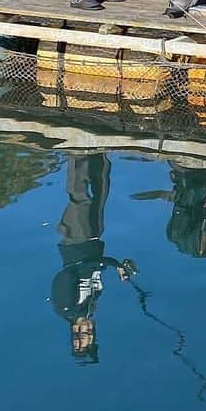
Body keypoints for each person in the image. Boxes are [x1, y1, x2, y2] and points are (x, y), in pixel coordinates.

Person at [49, 153, 135, 363]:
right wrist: (120, 268)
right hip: (94, 242)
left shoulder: (66, 307)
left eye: (80, 333)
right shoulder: (90, 306)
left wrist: (114, 265)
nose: (86, 330)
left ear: (74, 331)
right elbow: (94, 271)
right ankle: (100, 155)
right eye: (89, 333)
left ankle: (78, 152)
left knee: (80, 196)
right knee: (101, 193)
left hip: (76, 241)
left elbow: (70, 273)